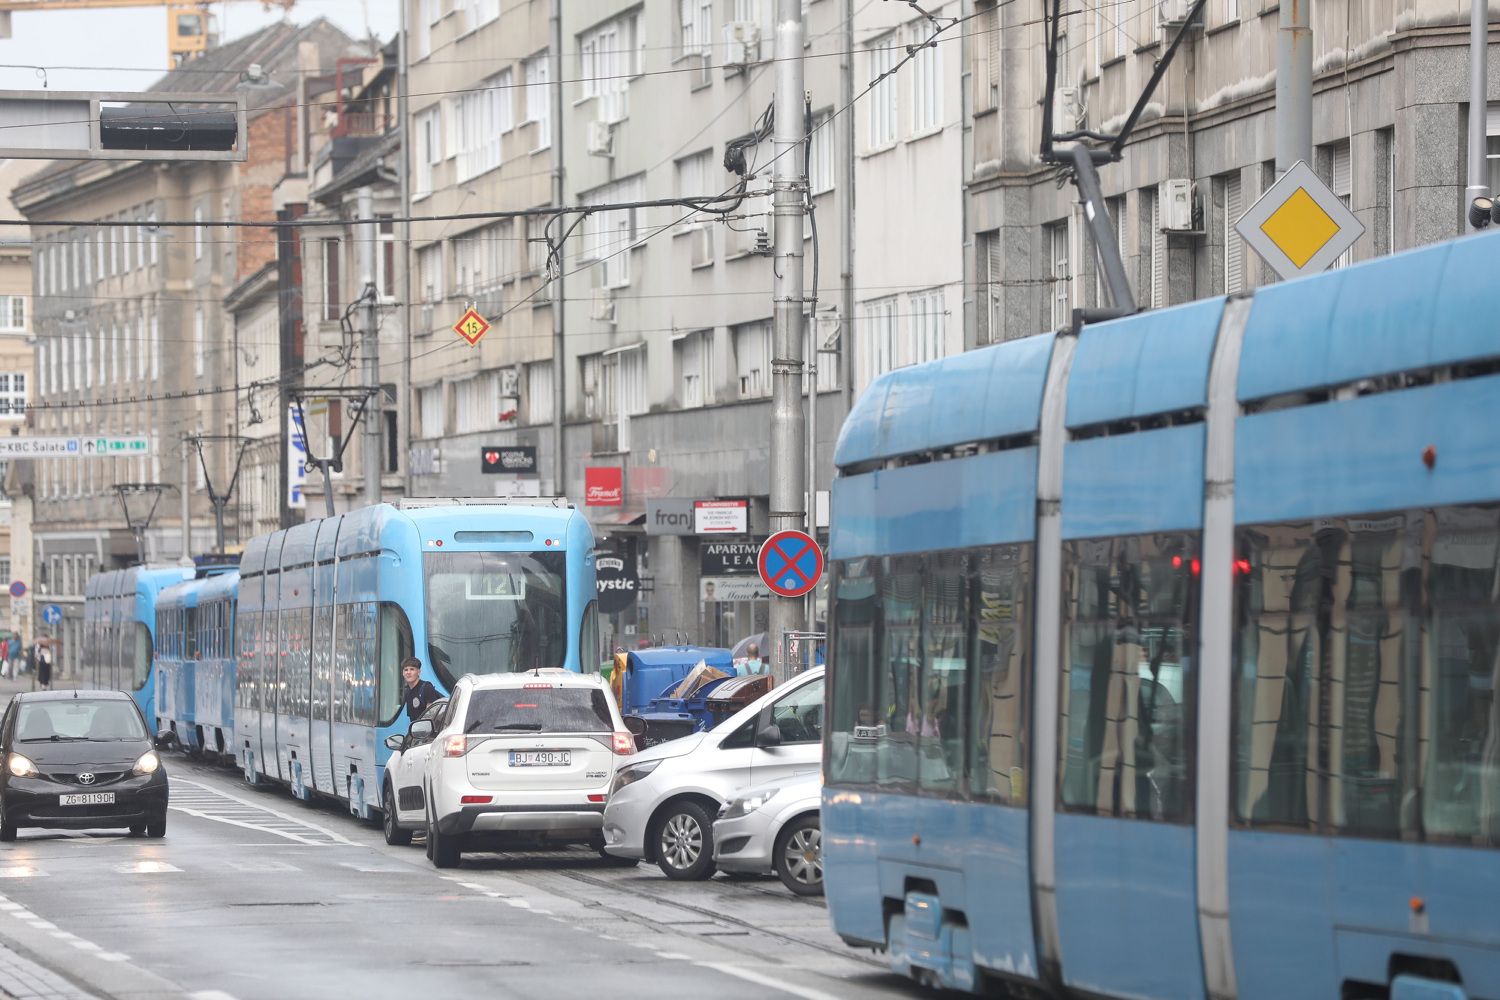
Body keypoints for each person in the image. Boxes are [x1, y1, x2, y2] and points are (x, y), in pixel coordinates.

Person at [400, 657, 440, 723]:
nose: (408, 672)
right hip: (416, 730)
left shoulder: (427, 688)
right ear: (403, 673)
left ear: (418, 672)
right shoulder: (408, 692)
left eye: (412, 669)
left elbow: (431, 717)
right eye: (406, 670)